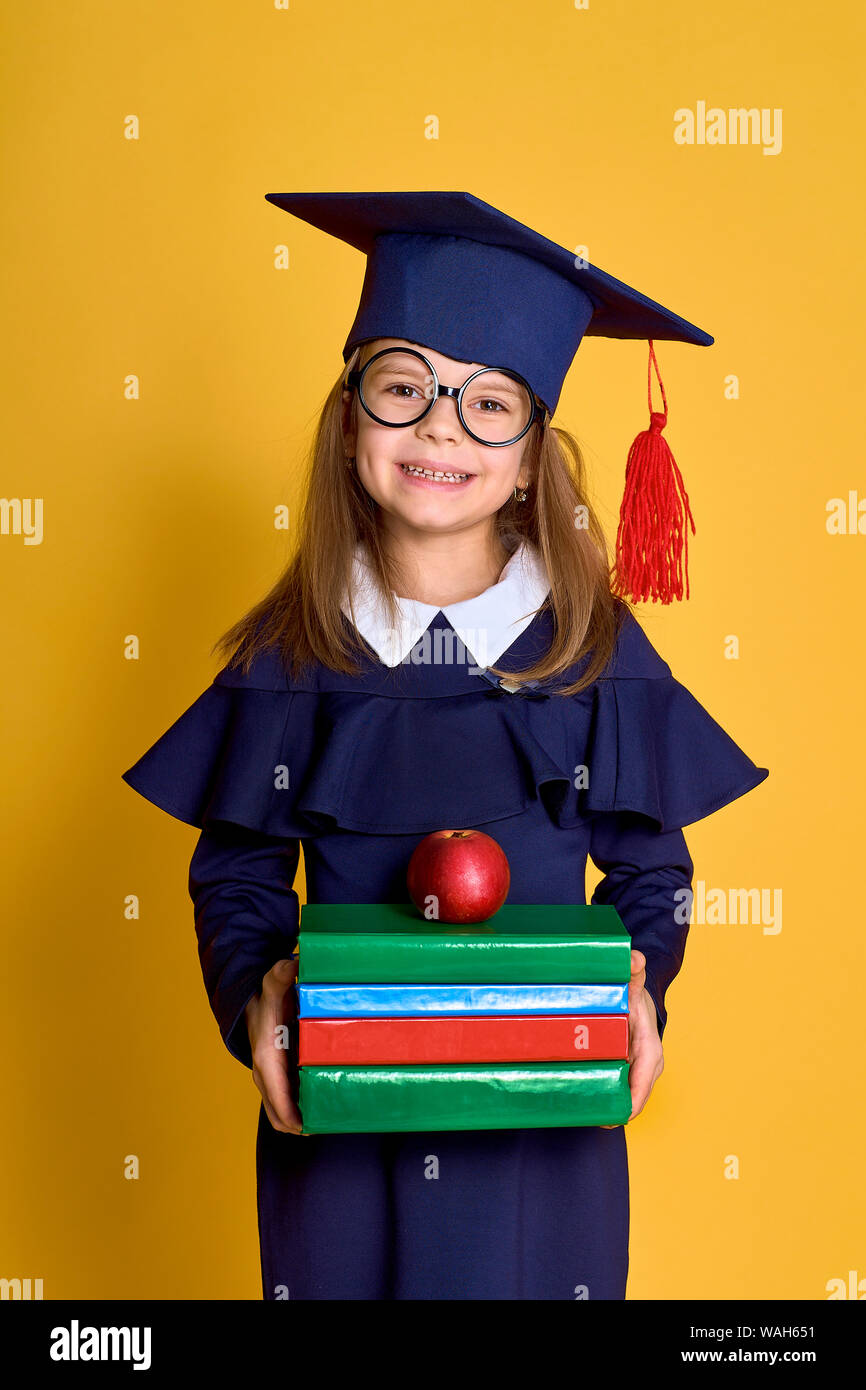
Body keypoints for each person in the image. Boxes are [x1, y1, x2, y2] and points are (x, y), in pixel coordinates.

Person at [121, 191, 769, 1300]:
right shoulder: (290, 657)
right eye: (403, 386)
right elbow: (234, 873)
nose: (438, 427)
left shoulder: (591, 653)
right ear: (348, 422)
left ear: (528, 458)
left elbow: (651, 868)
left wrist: (641, 985)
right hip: (342, 1118)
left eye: (486, 402)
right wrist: (253, 1001)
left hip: (540, 1131)